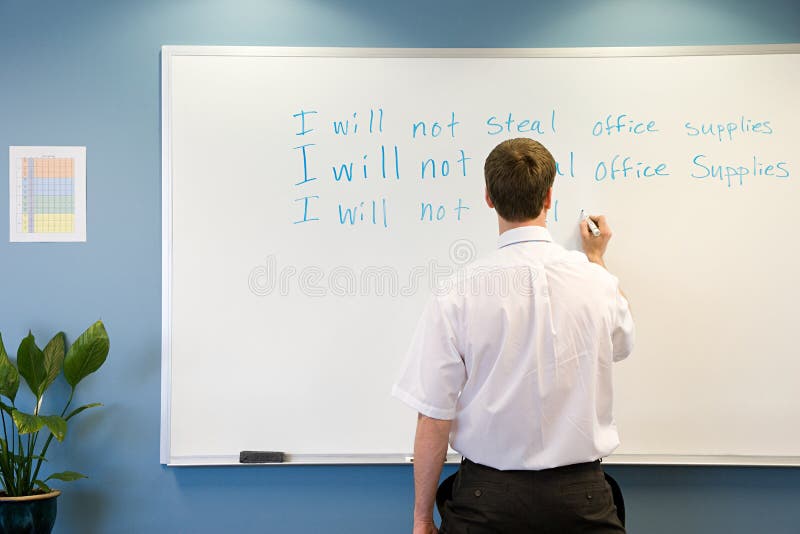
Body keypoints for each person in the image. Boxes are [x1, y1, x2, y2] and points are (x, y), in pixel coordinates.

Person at [392, 138, 634, 534]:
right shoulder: (596, 283)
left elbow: (433, 416)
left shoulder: (458, 291)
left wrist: (421, 519)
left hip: (486, 503)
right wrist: (598, 260)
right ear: (549, 197)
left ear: (488, 198)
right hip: (582, 501)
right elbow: (623, 344)